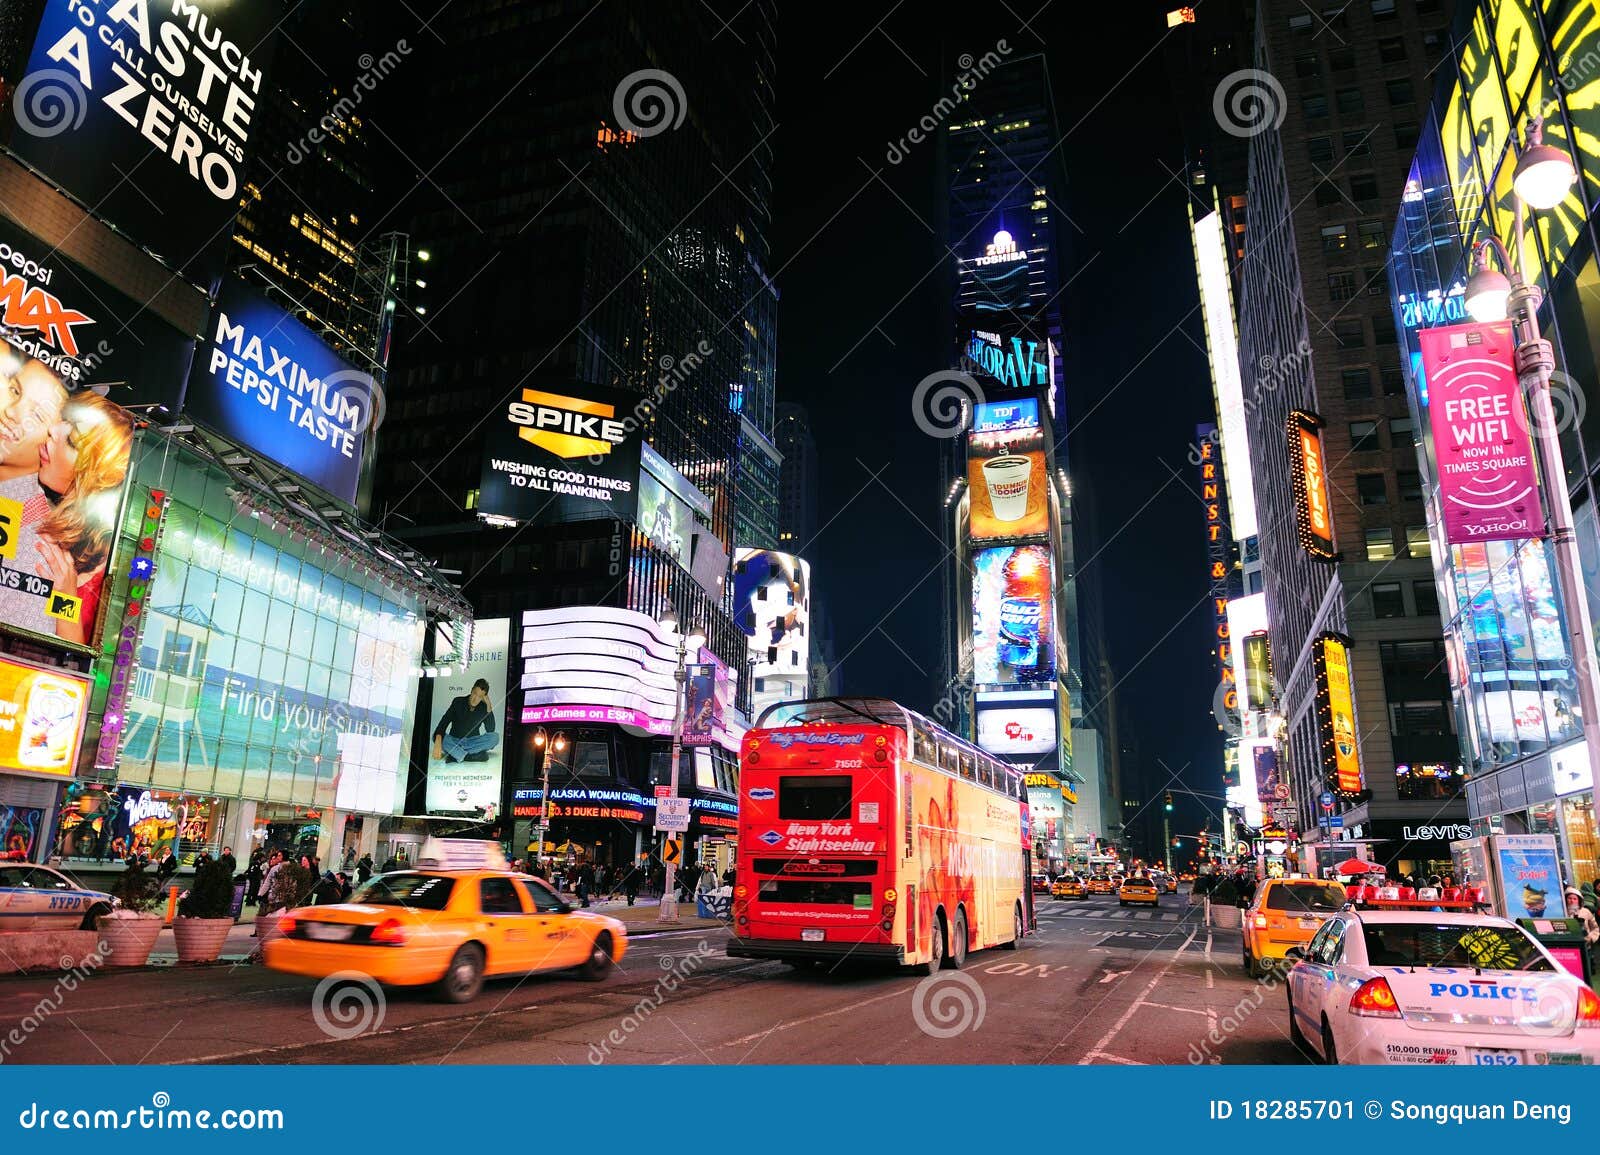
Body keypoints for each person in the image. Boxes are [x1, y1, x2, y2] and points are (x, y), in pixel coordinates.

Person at [430, 677, 499, 763]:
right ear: (471, 690)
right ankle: (471, 756)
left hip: (472, 741)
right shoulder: (458, 701)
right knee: (436, 736)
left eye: (480, 697)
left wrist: (489, 707)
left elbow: (490, 730)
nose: (475, 699)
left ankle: (456, 755)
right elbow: (444, 721)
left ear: (483, 698)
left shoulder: (484, 707)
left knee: (495, 737)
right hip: (455, 740)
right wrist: (438, 739)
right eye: (475, 694)